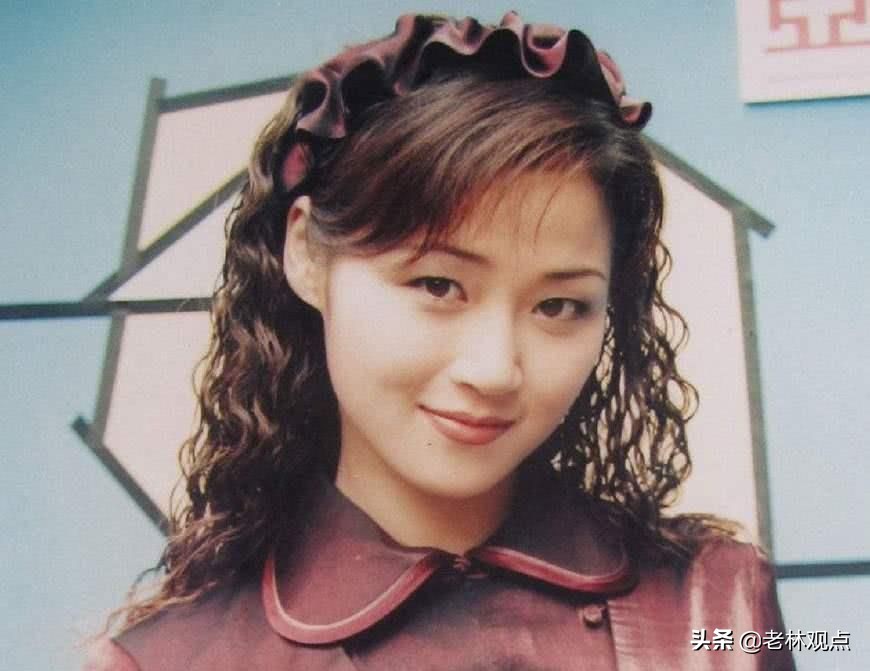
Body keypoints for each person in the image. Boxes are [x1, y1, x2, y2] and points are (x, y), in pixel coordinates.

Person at [84, 12, 795, 670]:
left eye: (557, 305)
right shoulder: (170, 661)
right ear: (307, 254)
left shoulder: (718, 612)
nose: (494, 369)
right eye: (438, 286)